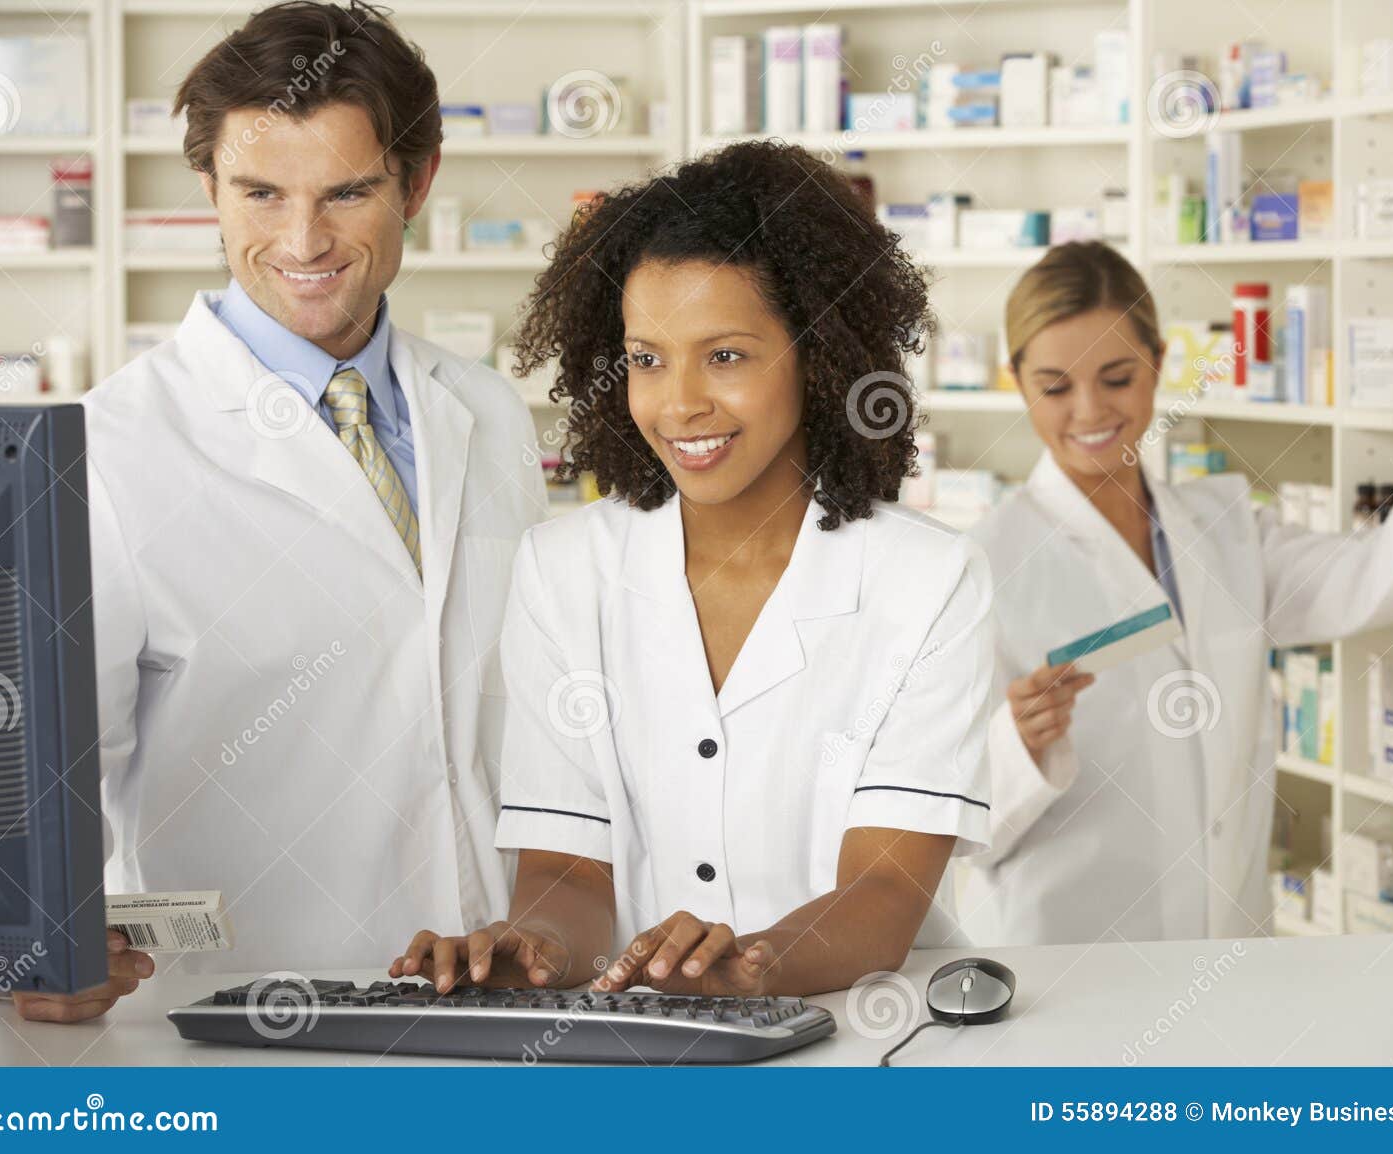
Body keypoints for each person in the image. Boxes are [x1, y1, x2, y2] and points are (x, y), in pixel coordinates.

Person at [15, 1, 545, 1022]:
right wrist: (43, 942)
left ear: (418, 182)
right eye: (261, 192)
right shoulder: (104, 449)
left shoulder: (484, 408)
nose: (304, 242)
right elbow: (42, 780)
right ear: (208, 187)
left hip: (493, 994)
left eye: (348, 192)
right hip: (249, 1012)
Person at [391, 140, 995, 997]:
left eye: (726, 355)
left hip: (866, 1045)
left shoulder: (929, 581)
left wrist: (749, 965)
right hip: (638, 1046)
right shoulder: (563, 569)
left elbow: (887, 889)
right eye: (646, 358)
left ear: (818, 355)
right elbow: (570, 869)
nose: (679, 403)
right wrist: (530, 948)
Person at [960, 241, 1393, 947]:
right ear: (1016, 381)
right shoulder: (986, 564)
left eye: (1116, 377)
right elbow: (954, 839)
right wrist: (1016, 745)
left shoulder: (1225, 527)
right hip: (1065, 963)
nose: (1089, 411)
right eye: (1054, 386)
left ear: (1159, 365)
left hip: (1227, 947)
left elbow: (1383, 577)